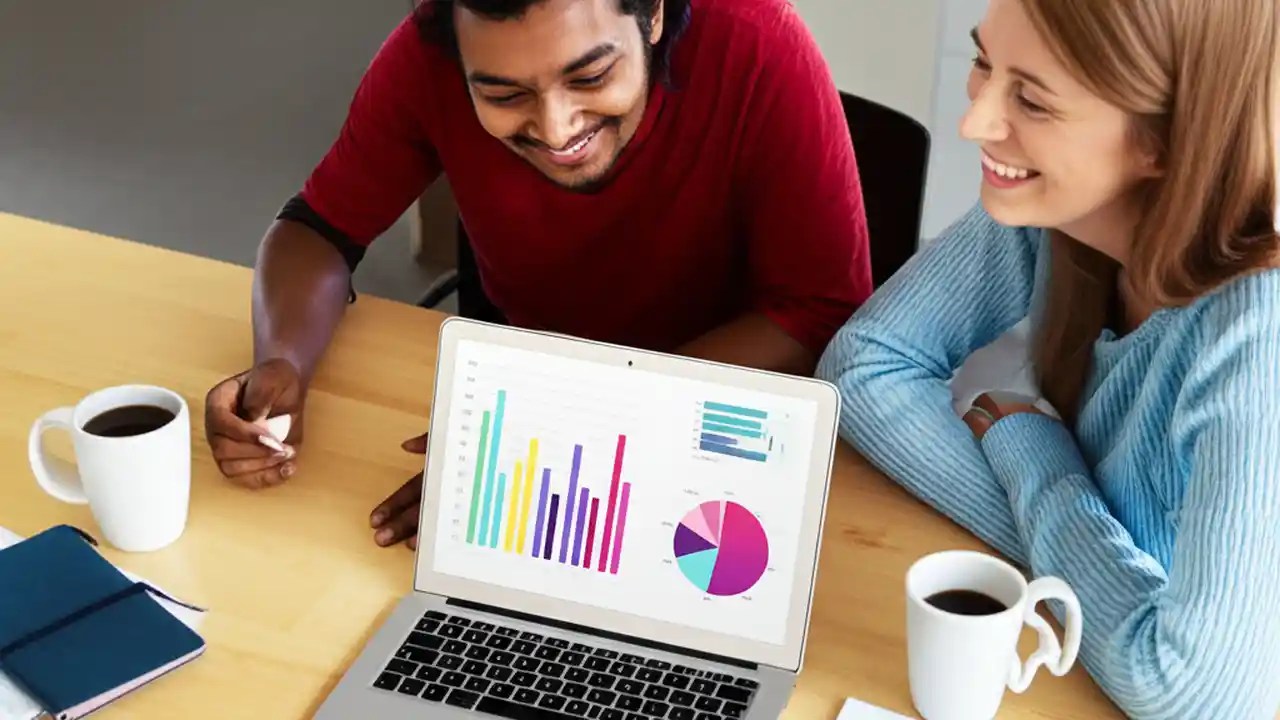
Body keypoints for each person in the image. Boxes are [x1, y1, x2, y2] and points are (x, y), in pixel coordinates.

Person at [203, 0, 870, 550]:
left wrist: (561, 429)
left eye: (590, 77)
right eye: (503, 93)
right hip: (538, 390)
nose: (555, 129)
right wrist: (281, 360)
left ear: (654, 16)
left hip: (719, 446)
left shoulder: (760, 41)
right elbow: (318, 226)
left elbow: (818, 313)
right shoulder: (428, 50)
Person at [817, 0, 1280, 717]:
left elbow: (1196, 691)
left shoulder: (1258, 332)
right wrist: (1079, 556)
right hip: (1083, 671)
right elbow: (864, 366)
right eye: (982, 64)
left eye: (1031, 98)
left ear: (1163, 138)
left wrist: (1024, 438)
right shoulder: (1064, 206)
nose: (975, 123)